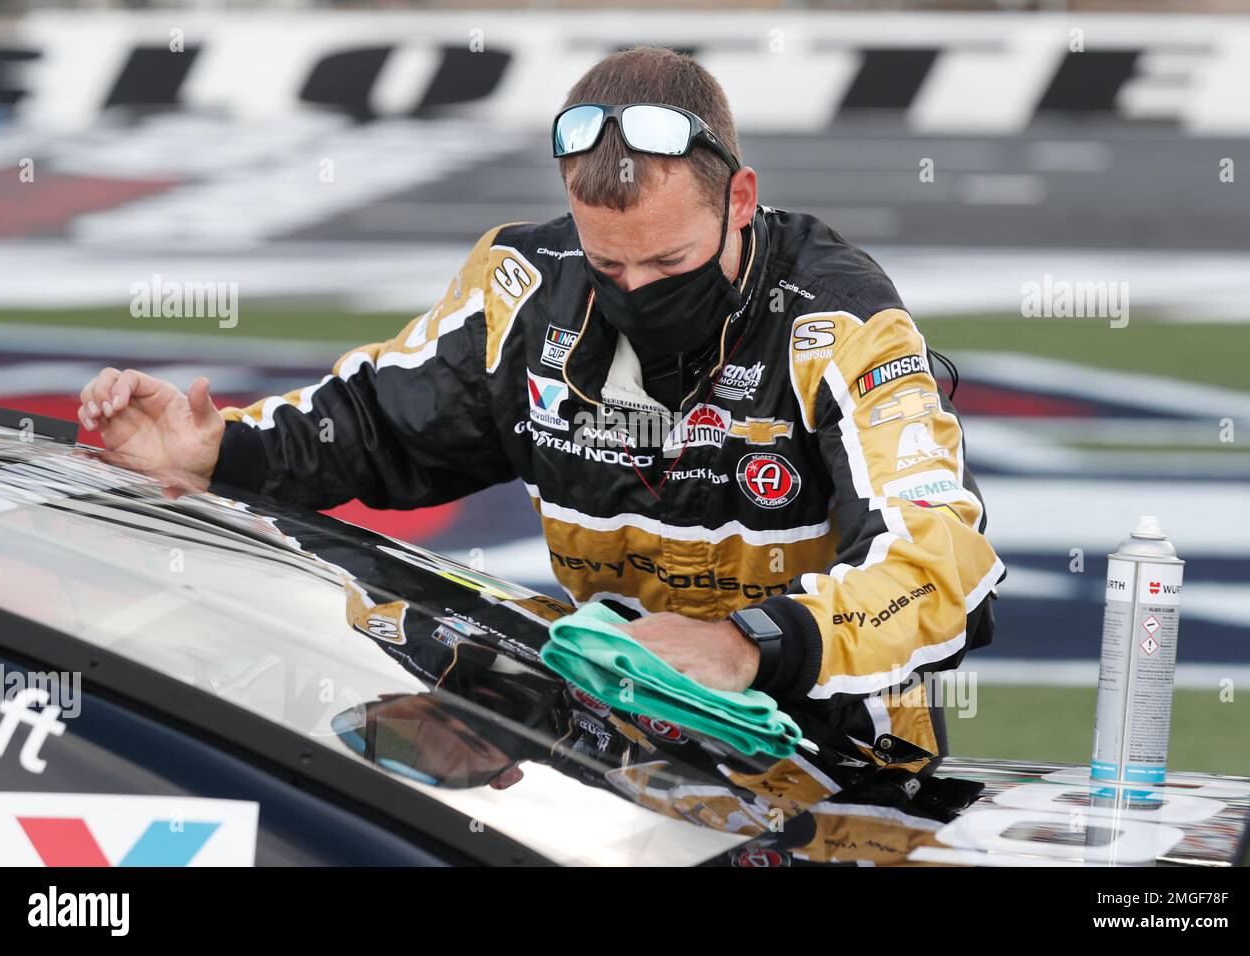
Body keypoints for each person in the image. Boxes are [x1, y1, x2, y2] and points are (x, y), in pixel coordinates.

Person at [76, 46, 1004, 765]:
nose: (637, 288)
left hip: (833, 754)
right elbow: (374, 425)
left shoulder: (842, 323)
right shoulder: (524, 285)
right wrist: (218, 452)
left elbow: (942, 567)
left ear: (742, 200)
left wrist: (749, 644)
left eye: (671, 263)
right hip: (619, 735)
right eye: (610, 265)